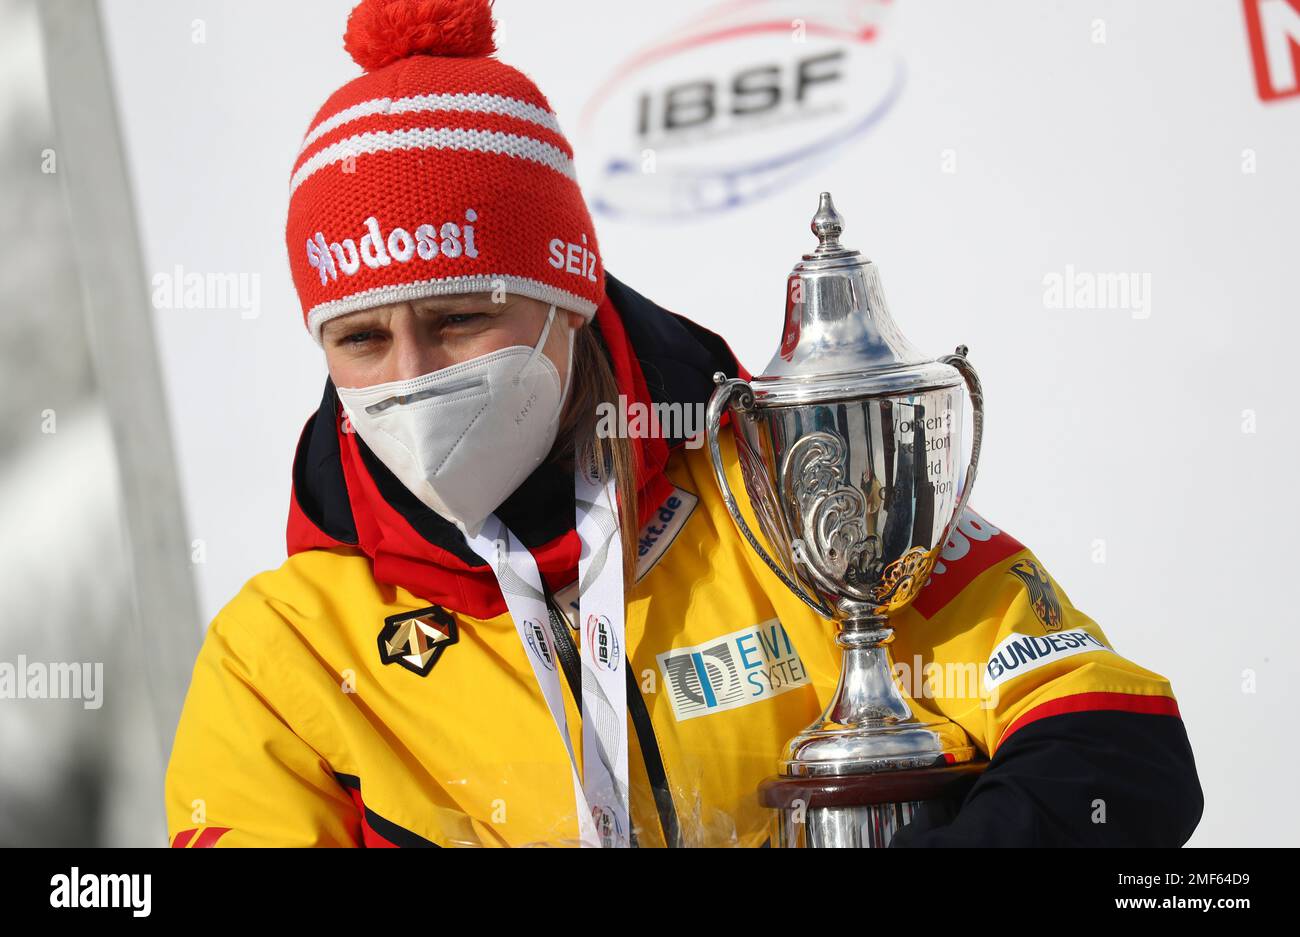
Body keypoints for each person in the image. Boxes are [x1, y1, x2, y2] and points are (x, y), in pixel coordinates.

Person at [164, 0, 1203, 848]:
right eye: (358, 340)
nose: (411, 375)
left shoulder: (794, 496)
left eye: (459, 318)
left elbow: (1114, 737)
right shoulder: (283, 652)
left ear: (568, 296)